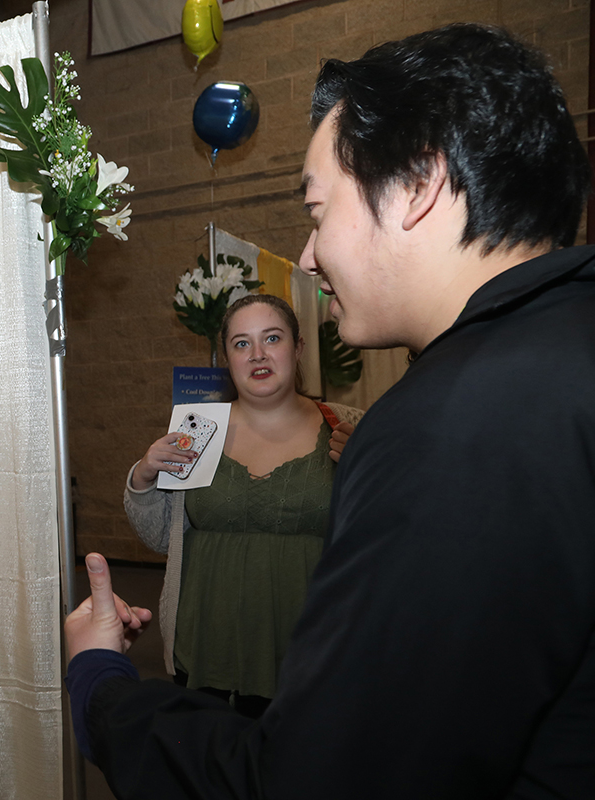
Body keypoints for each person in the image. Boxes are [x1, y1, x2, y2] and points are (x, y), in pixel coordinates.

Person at [66, 22, 595, 799]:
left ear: (419, 185)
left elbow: (313, 779)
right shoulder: (563, 347)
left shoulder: (452, 423)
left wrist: (103, 684)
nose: (309, 258)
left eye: (318, 210)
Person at [125, 293, 362, 717]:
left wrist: (370, 473)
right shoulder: (197, 431)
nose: (257, 355)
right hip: (205, 650)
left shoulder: (349, 427)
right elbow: (162, 539)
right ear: (226, 358)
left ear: (298, 347)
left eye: (272, 338)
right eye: (241, 343)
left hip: (312, 650)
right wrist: (143, 478)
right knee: (210, 774)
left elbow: (388, 540)